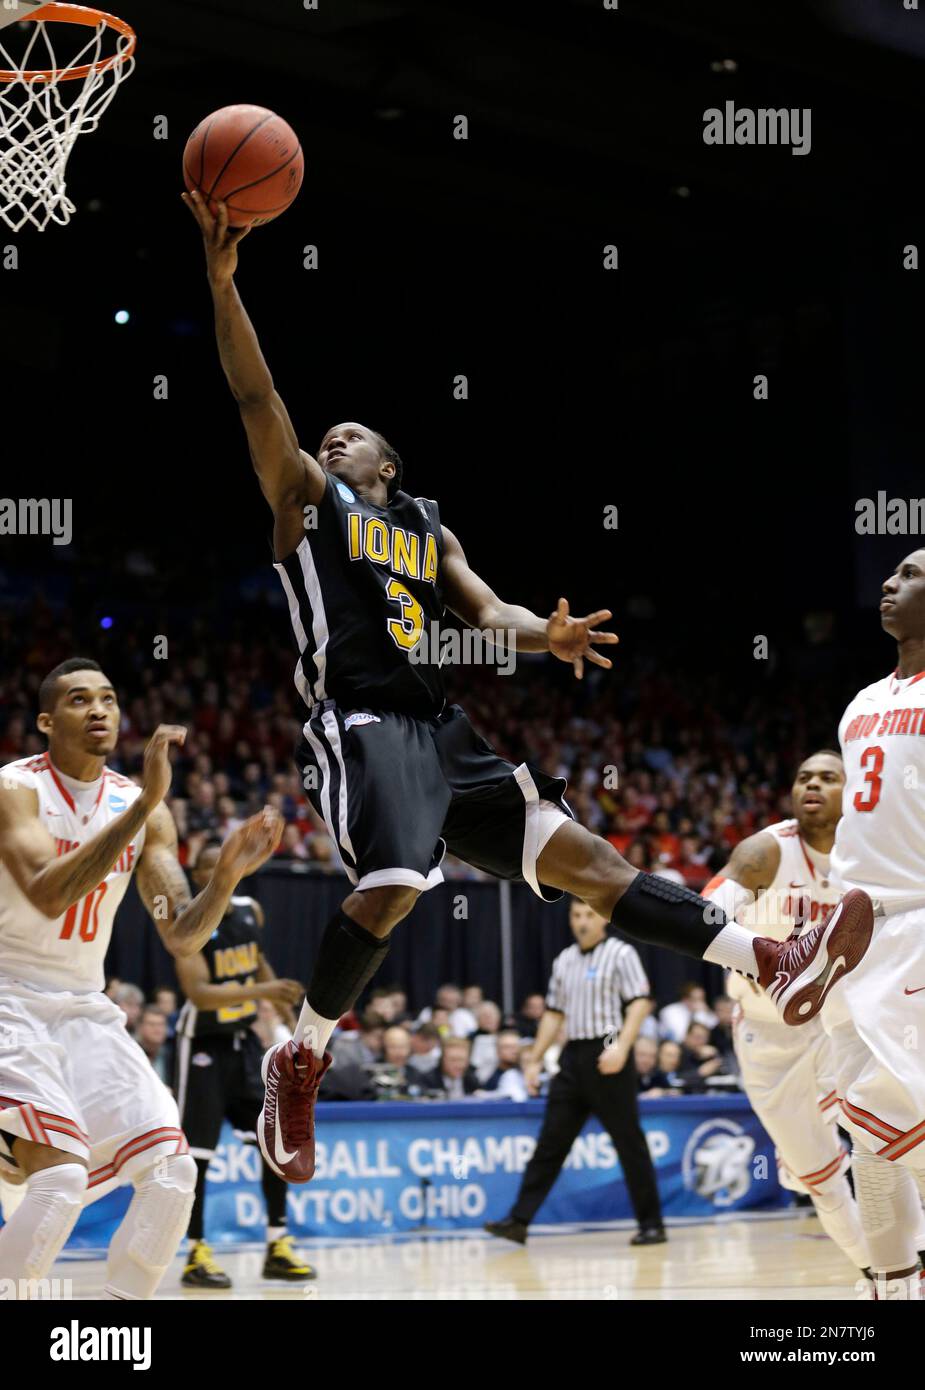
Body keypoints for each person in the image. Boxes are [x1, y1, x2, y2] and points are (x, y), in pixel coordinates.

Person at [182, 189, 874, 1184]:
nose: (331, 440)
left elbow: (485, 609)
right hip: (363, 717)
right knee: (390, 888)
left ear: (391, 461)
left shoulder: (425, 523)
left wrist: (538, 634)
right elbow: (255, 397)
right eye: (324, 435)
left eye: (351, 435)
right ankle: (303, 1049)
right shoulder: (305, 499)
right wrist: (222, 285)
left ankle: (766, 958)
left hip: (445, 730)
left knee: (595, 864)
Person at [0, 659, 283, 1300]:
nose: (99, 710)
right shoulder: (16, 788)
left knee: (172, 1173)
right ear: (48, 721)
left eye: (108, 698)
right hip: (8, 996)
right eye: (79, 700)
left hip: (83, 1008)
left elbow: (181, 934)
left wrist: (227, 877)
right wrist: (146, 806)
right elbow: (48, 894)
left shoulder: (141, 806)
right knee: (59, 1183)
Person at [702, 751, 872, 1283]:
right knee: (819, 1180)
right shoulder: (767, 852)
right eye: (802, 777)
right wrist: (751, 953)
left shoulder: (869, 854)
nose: (813, 784)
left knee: (884, 1131)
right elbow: (705, 914)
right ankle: (872, 1268)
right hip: (767, 1035)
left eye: (827, 777)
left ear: (853, 792)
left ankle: (898, 1270)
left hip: (839, 1021)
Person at [820, 553, 925, 1297]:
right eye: (888, 571)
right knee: (866, 1137)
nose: (889, 583)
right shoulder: (859, 703)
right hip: (856, 933)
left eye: (912, 574)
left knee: (890, 1110)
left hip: (919, 917)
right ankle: (892, 1283)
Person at [173, 842, 313, 1290]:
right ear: (197, 876)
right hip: (202, 1046)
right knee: (196, 1157)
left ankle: (278, 1244)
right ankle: (196, 1251)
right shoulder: (187, 921)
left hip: (243, 1045)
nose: (223, 873)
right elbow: (199, 994)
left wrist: (284, 1009)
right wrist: (263, 993)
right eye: (211, 868)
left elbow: (255, 962)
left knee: (273, 1145)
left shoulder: (251, 908)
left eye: (228, 864)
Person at [485, 901, 665, 1246]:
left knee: (629, 1142)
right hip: (572, 1058)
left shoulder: (621, 953)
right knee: (550, 1142)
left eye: (589, 915)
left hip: (608, 1051)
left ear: (602, 919)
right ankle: (518, 1220)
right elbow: (553, 1014)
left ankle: (652, 1223)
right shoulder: (564, 960)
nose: (582, 922)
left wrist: (622, 1047)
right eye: (576, 915)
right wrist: (534, 1059)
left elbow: (640, 1002)